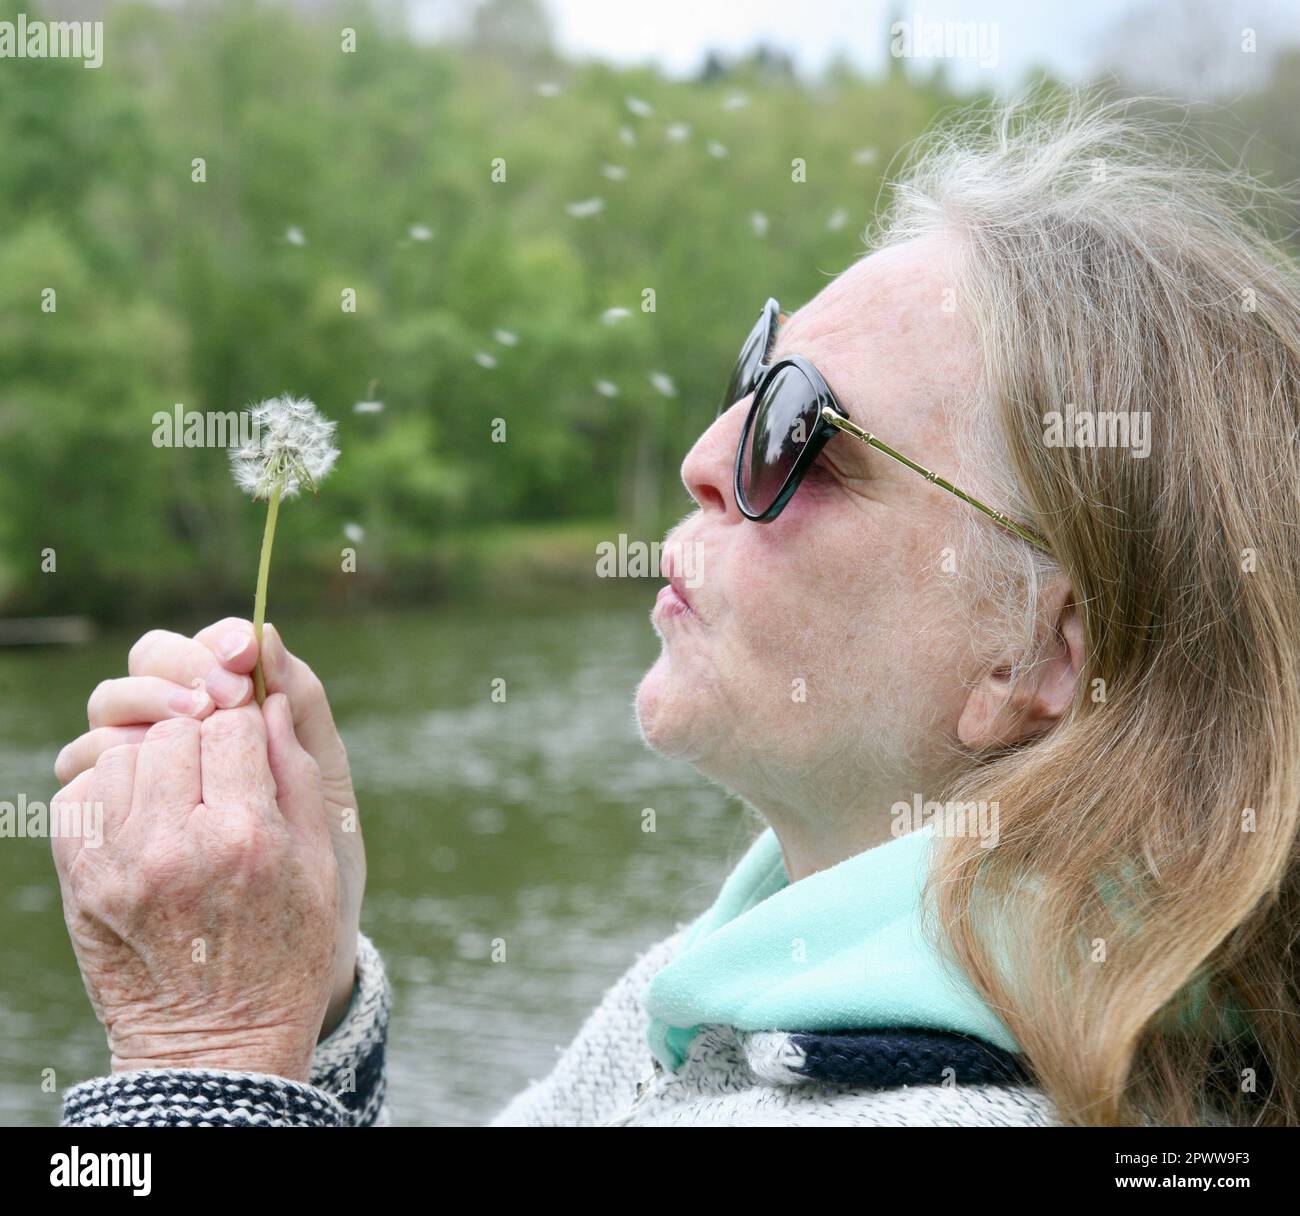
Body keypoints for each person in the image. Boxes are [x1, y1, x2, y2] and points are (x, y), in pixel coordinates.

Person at [50, 96, 1300, 1126]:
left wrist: (203, 1052)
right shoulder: (752, 985)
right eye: (752, 375)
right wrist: (305, 1014)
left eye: (798, 430)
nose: (708, 455)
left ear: (1034, 653)